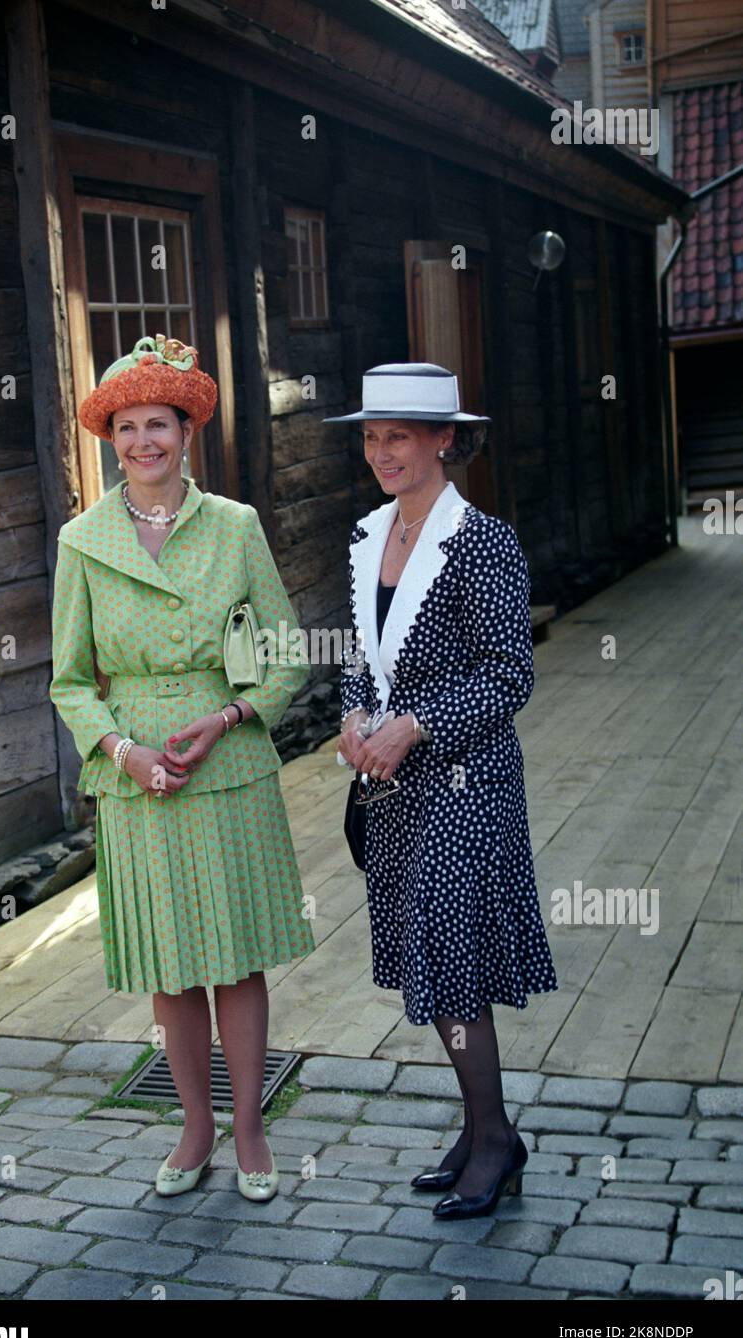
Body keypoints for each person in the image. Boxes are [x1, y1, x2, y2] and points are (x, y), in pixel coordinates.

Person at [49, 334, 315, 1203]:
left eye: (156, 424)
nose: (141, 443)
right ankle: (194, 1128)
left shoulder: (234, 528)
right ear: (111, 439)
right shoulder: (81, 541)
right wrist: (123, 753)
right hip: (134, 778)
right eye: (125, 428)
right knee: (170, 965)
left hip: (227, 763)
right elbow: (68, 681)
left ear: (185, 430)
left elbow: (283, 656)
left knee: (236, 959)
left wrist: (233, 714)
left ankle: (248, 1130)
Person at [326, 363, 559, 1221]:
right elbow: (363, 653)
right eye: (371, 436)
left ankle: (495, 1138)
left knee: (455, 955)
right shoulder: (365, 535)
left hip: (465, 781)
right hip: (390, 787)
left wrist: (415, 724)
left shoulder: (484, 542)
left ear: (444, 440)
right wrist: (355, 712)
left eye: (399, 436)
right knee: (431, 955)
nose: (381, 452)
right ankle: (480, 1127)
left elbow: (510, 676)